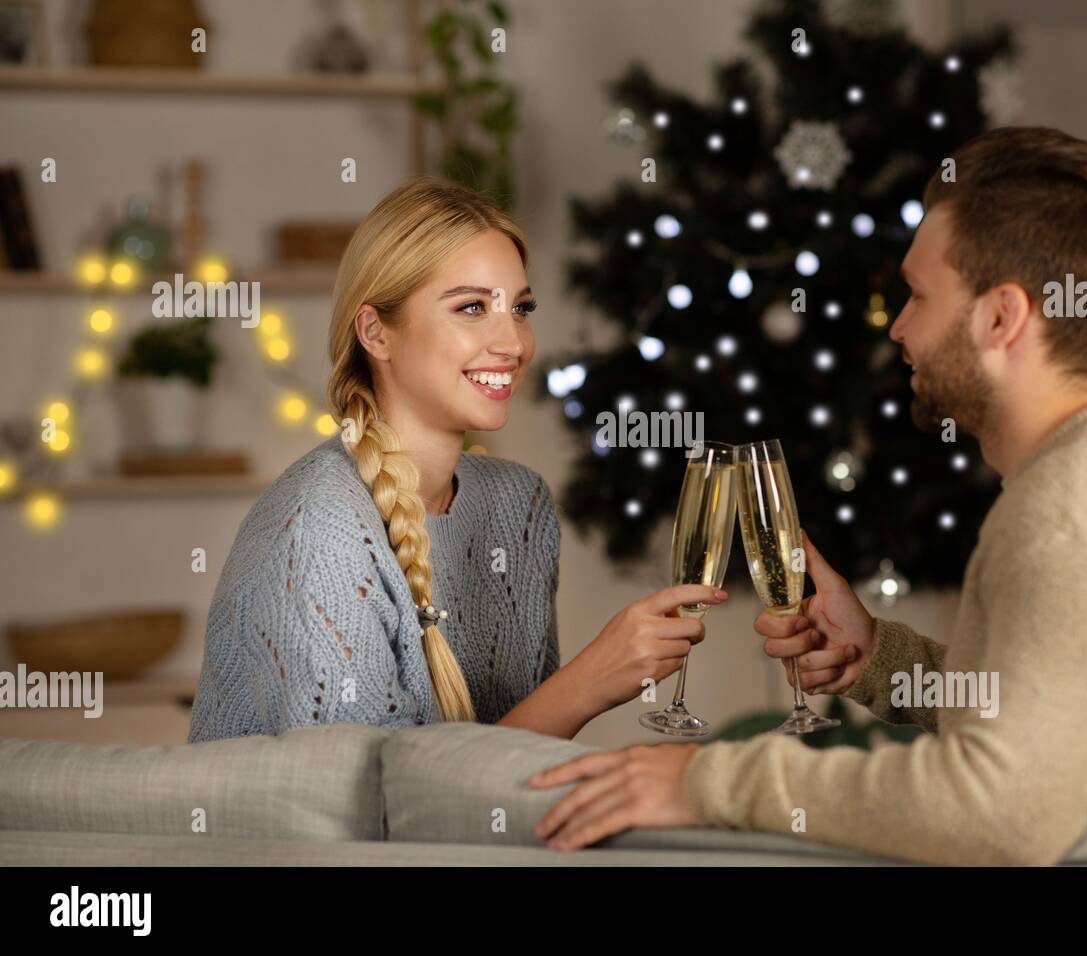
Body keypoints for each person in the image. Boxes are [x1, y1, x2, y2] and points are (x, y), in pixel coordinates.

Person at [529, 126, 1087, 865]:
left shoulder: (1077, 504)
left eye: (918, 297)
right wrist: (877, 657)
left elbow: (1003, 811)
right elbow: (1053, 716)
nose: (898, 329)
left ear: (1002, 317)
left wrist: (707, 782)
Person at [189, 179, 727, 743]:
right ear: (375, 332)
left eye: (520, 309)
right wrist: (589, 683)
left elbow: (515, 769)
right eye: (471, 307)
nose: (514, 343)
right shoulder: (319, 527)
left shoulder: (519, 504)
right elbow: (366, 813)